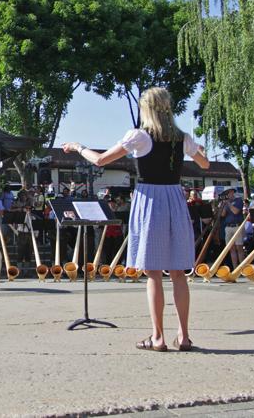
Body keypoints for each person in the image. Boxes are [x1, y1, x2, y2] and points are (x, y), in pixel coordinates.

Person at [62, 86, 209, 351]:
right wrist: (199, 149)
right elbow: (206, 165)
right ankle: (184, 337)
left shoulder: (140, 136)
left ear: (147, 109)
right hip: (175, 199)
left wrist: (78, 146)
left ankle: (158, 337)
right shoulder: (183, 138)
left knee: (153, 272)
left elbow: (100, 160)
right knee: (178, 273)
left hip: (150, 200)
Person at [219, 188, 245, 268]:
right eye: (226, 193)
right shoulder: (226, 203)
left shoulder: (238, 200)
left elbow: (235, 211)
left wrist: (228, 204)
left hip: (237, 226)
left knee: (239, 248)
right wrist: (222, 206)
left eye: (229, 193)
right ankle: (235, 268)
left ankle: (242, 268)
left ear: (232, 192)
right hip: (228, 227)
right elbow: (222, 215)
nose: (228, 195)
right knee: (231, 249)